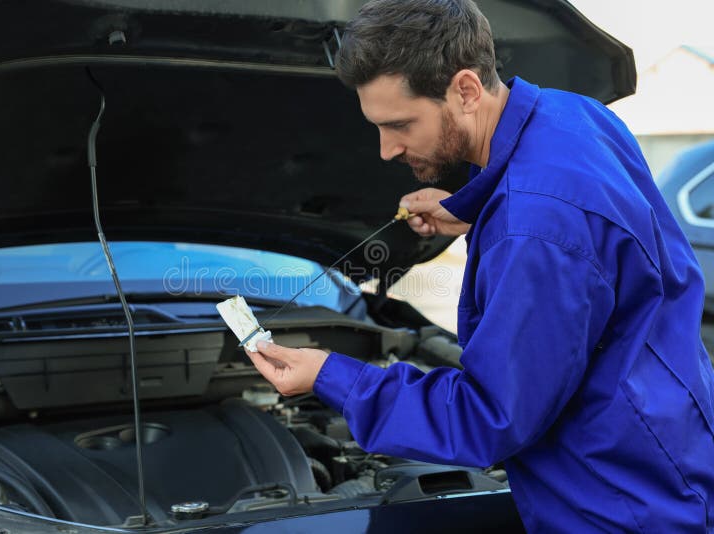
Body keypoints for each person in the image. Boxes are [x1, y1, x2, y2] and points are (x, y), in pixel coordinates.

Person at [245, 0, 714, 531]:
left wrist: (332, 376)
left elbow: (489, 418)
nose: (385, 150)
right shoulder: (573, 116)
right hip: (669, 452)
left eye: (400, 124)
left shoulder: (536, 227)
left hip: (619, 505)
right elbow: (599, 241)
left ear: (466, 90)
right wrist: (476, 212)